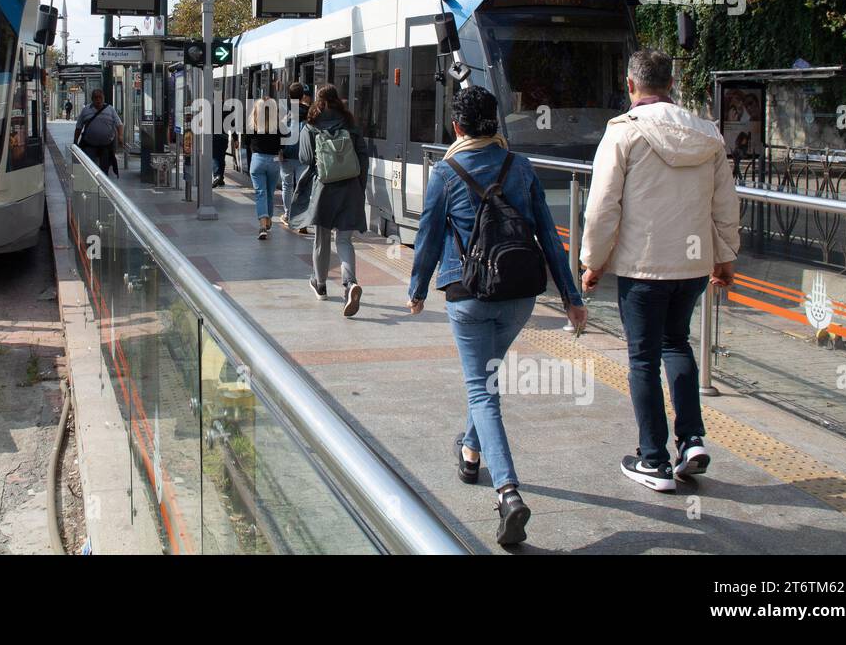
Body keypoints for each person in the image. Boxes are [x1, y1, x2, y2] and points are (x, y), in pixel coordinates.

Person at [407, 85, 587, 547]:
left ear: (457, 127)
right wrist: (571, 296)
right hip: (519, 297)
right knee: (485, 379)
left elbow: (427, 236)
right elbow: (549, 235)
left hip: (467, 296)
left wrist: (417, 290)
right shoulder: (521, 167)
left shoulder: (445, 172)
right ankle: (469, 453)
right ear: (496, 125)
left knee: (482, 391)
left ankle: (508, 492)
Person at [580, 49, 739, 493]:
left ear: (631, 86)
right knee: (677, 344)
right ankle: (691, 441)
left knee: (642, 359)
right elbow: (725, 204)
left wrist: (593, 262)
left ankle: (654, 460)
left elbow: (601, 207)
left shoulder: (622, 133)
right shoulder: (707, 134)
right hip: (692, 266)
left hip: (643, 266)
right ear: (671, 83)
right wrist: (725, 257)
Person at [290, 86, 369, 316]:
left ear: (318, 101)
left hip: (323, 188)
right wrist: (360, 186)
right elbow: (362, 157)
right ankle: (350, 284)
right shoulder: (350, 124)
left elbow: (305, 158)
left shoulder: (311, 125)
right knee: (344, 240)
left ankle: (320, 284)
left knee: (321, 239)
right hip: (350, 187)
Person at [245, 99, 283, 240]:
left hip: (257, 160)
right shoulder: (279, 126)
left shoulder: (253, 125)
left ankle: (262, 225)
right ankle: (269, 219)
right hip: (273, 161)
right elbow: (284, 142)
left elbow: (246, 142)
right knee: (270, 193)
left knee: (260, 193)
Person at [279, 83, 311, 231]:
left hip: (286, 154)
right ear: (303, 95)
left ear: (289, 95)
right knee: (302, 187)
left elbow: (278, 132)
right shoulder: (309, 111)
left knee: (287, 186)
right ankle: (302, 220)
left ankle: (288, 214)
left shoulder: (284, 111)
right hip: (304, 155)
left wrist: (279, 151)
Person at [74, 89, 123, 176]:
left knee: (104, 169)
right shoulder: (85, 110)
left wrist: (120, 136)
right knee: (90, 167)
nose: (98, 100)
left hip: (106, 145)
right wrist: (75, 141)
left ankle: (103, 184)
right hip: (90, 145)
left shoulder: (110, 109)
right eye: (96, 98)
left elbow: (119, 124)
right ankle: (92, 184)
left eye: (100, 97)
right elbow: (79, 127)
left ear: (103, 98)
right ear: (92, 99)